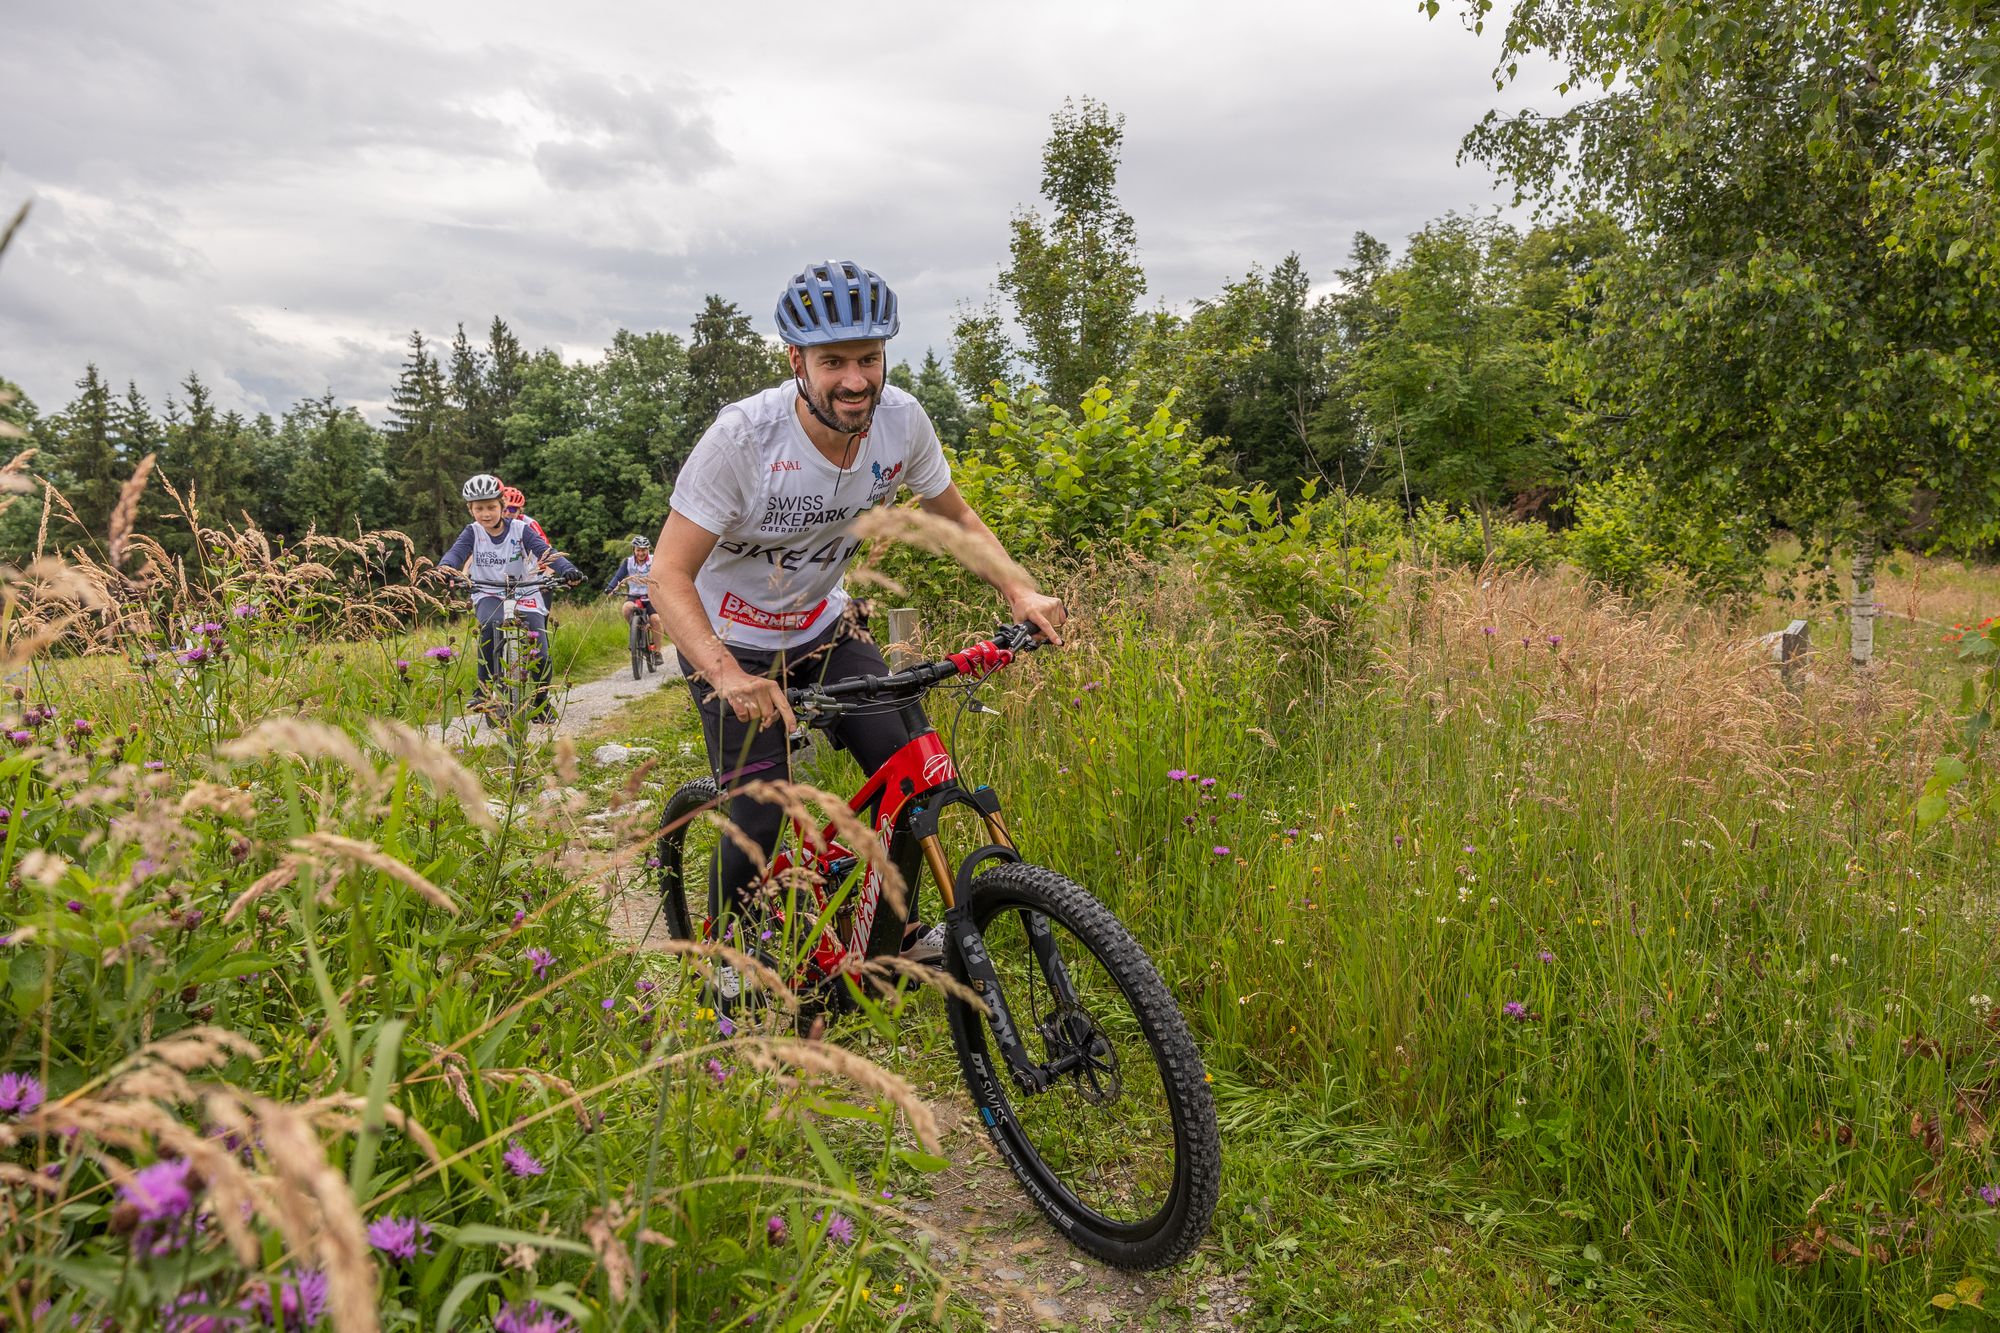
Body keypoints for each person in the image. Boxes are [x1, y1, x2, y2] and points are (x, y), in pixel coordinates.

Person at [652, 260, 1065, 985]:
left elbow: (957, 516)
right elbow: (667, 573)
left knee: (913, 781)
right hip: (733, 644)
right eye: (833, 361)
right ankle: (726, 969)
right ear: (796, 362)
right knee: (758, 810)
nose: (854, 379)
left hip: (826, 629)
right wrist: (726, 673)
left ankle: (890, 930)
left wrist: (1020, 592)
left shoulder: (901, 422)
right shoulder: (744, 439)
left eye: (868, 358)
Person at [440, 473, 581, 722]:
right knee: (489, 624)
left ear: (502, 506)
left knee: (540, 648)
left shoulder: (521, 529)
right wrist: (444, 570)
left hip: (525, 590)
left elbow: (546, 552)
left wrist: (566, 569)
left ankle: (540, 699)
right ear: (470, 509)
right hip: (489, 591)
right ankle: (483, 690)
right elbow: (455, 554)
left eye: (492, 507)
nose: (486, 514)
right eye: (479, 508)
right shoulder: (472, 532)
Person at [604, 534, 664, 667]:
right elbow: (618, 576)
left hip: (651, 596)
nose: (641, 553)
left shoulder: (654, 560)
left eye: (643, 550)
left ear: (648, 550)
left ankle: (657, 652)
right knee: (626, 608)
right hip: (634, 595)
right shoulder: (628, 562)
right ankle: (635, 633)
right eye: (638, 550)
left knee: (656, 620)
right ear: (634, 550)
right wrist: (610, 588)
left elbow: (661, 575)